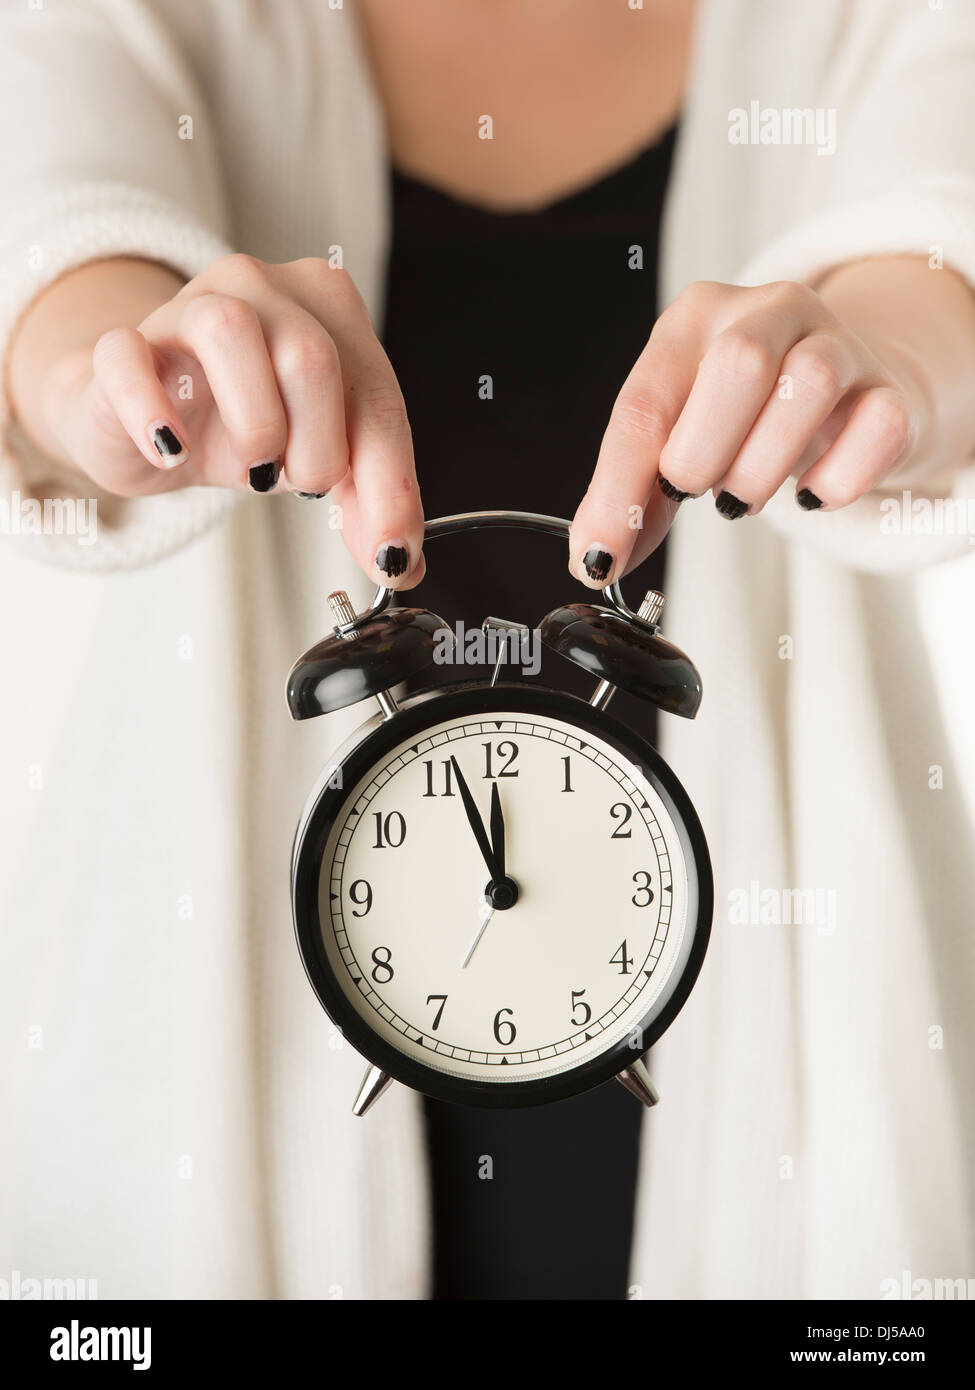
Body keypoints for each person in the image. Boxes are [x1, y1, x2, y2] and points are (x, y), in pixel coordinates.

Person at [1, 0, 973, 1300]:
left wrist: (881, 368)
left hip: (785, 1033)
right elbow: (61, 231)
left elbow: (935, 236)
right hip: (213, 1029)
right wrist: (120, 377)